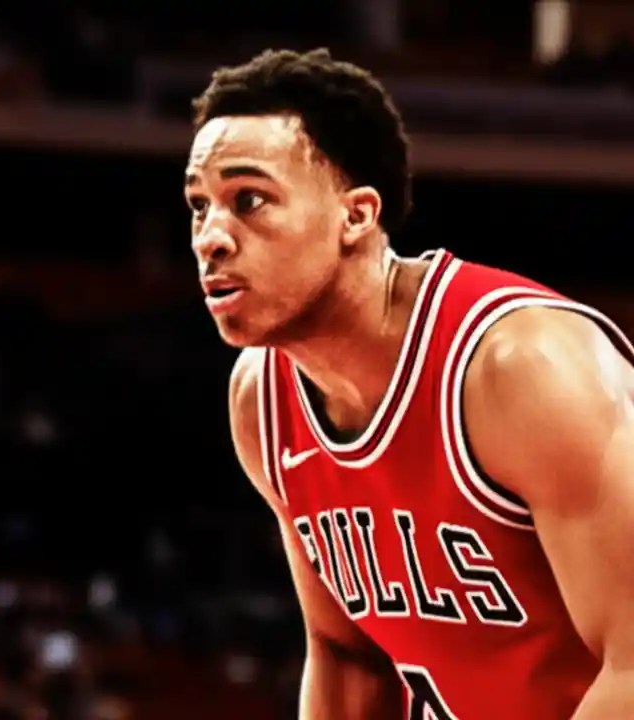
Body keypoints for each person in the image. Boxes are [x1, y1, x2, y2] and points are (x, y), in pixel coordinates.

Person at [187, 48, 634, 719]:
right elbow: (346, 655)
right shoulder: (262, 400)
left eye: (249, 200)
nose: (210, 238)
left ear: (356, 215)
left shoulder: (520, 367)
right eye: (200, 206)